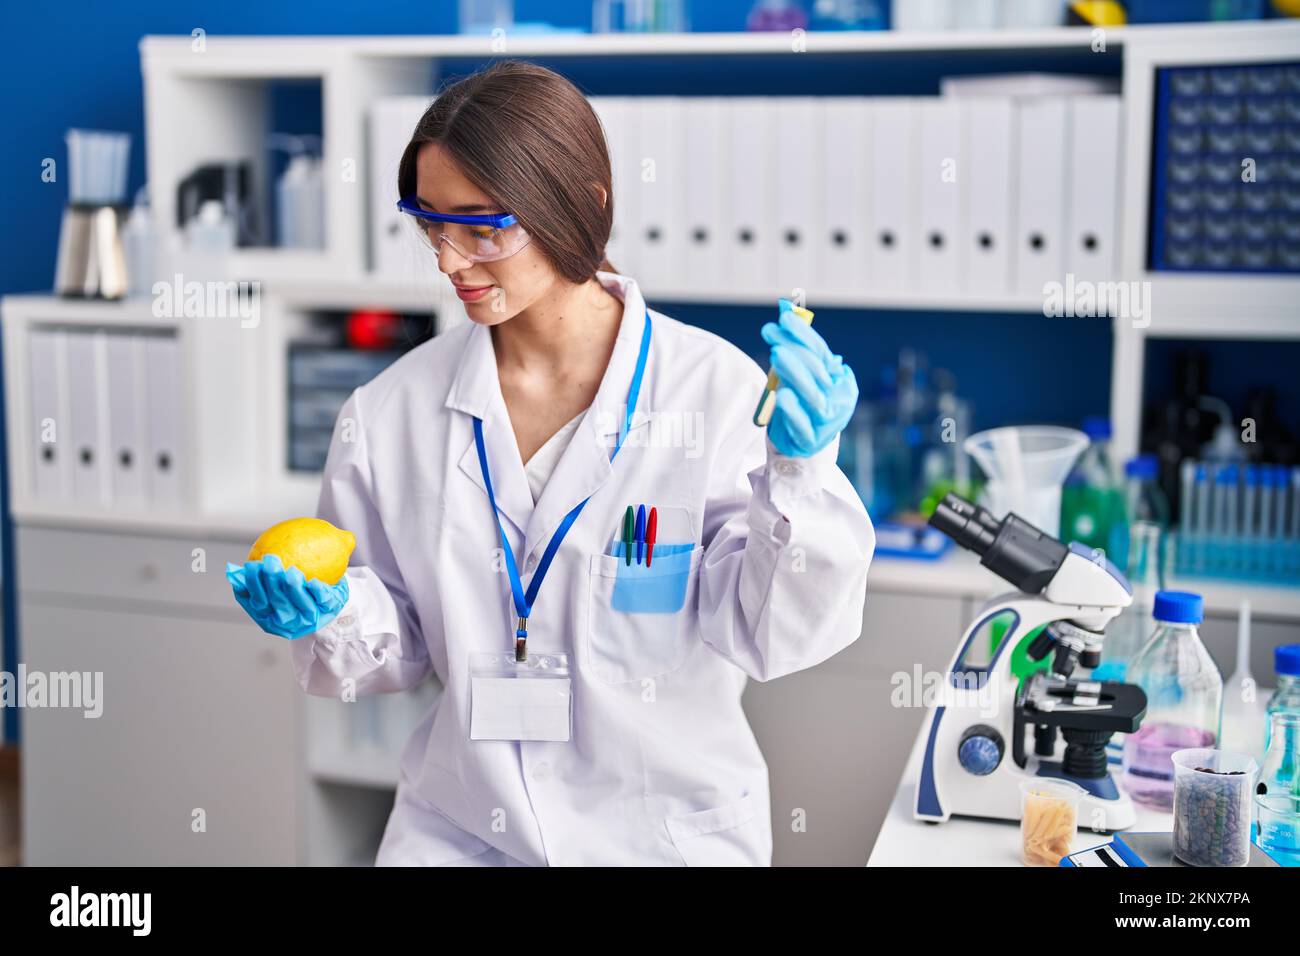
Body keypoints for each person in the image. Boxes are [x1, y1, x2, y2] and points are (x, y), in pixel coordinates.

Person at [228, 60, 874, 866]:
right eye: (430, 225)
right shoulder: (389, 415)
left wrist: (802, 479)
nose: (449, 262)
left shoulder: (713, 394)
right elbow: (399, 640)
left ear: (584, 203)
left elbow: (772, 635)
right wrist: (327, 612)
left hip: (661, 840)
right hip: (458, 834)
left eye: (482, 227)